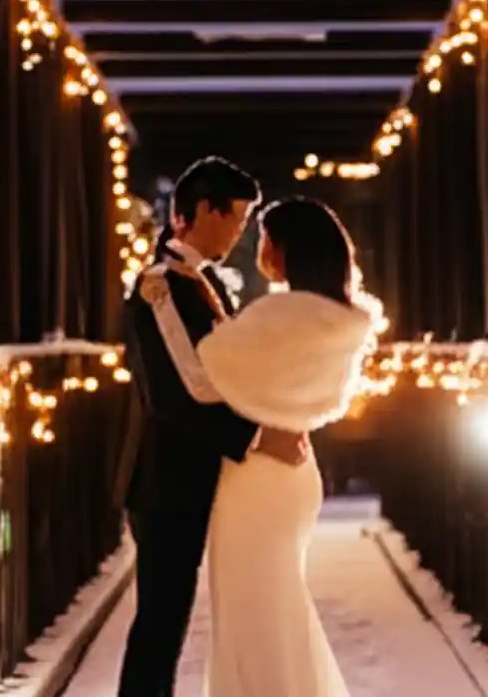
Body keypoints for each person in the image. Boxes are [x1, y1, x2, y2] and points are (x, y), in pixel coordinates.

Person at [117, 157, 309, 696]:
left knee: (168, 619)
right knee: (161, 621)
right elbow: (185, 388)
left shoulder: (200, 283)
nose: (241, 232)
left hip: (190, 476)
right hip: (166, 480)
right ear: (204, 210)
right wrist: (257, 437)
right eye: (237, 218)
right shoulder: (163, 285)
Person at [197, 198, 375, 697]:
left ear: (284, 249)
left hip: (253, 476)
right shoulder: (342, 320)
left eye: (265, 238)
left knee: (248, 615)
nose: (259, 248)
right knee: (279, 607)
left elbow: (211, 369)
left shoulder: (278, 314)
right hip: (296, 474)